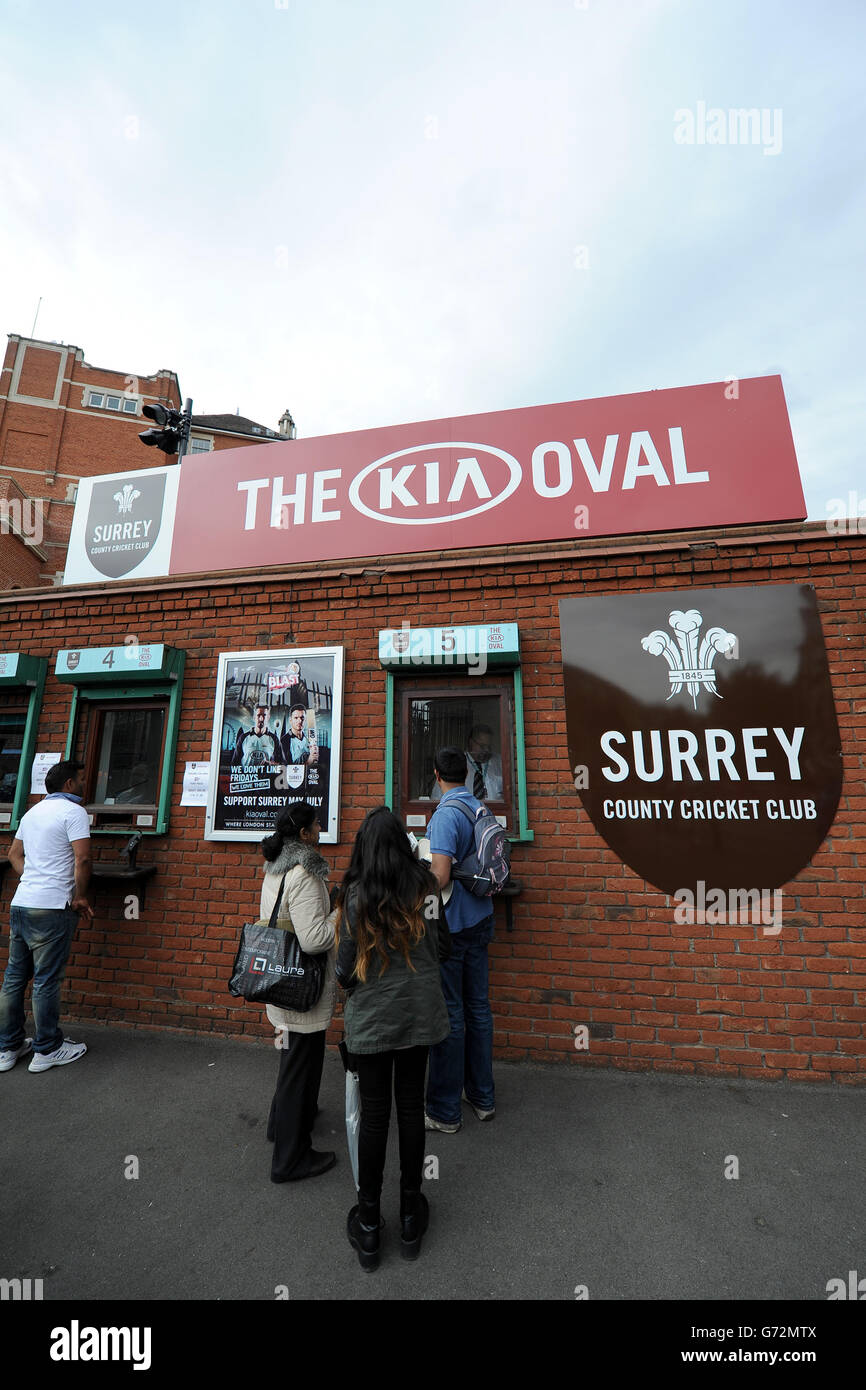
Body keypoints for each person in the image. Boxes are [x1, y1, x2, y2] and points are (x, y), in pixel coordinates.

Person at [335, 807, 450, 1270]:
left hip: (373, 1022)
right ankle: (408, 1216)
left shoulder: (355, 896)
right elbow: (442, 947)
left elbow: (343, 968)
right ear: (403, 845)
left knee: (375, 1117)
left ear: (364, 846)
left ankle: (367, 1225)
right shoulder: (425, 890)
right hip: (418, 1015)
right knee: (410, 1110)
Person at [259, 801, 337, 1182]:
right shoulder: (305, 871)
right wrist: (341, 912)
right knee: (299, 1068)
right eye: (317, 825)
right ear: (304, 834)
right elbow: (315, 939)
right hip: (301, 988)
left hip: (280, 980)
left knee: (292, 1064)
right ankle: (290, 1160)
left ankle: (282, 1124)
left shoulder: (276, 865)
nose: (321, 829)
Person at [0, 760, 93, 1073]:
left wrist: (35, 877)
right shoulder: (74, 812)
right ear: (68, 784)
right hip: (53, 908)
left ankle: (8, 1046)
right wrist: (79, 897)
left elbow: (13, 854)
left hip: (23, 902)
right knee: (46, 980)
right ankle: (47, 1048)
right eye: (80, 779)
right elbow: (82, 858)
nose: (84, 783)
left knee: (14, 978)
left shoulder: (33, 812)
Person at [424, 747, 497, 1133]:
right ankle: (482, 1097)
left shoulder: (445, 815)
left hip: (451, 927)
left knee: (451, 1015)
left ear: (437, 776)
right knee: (479, 1009)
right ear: (466, 774)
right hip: (482, 919)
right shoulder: (481, 808)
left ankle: (444, 1111)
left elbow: (440, 877)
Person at [430, 723, 504, 802]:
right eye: (482, 746)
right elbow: (436, 798)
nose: (486, 750)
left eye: (489, 747)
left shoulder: (500, 763)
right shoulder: (455, 762)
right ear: (471, 742)